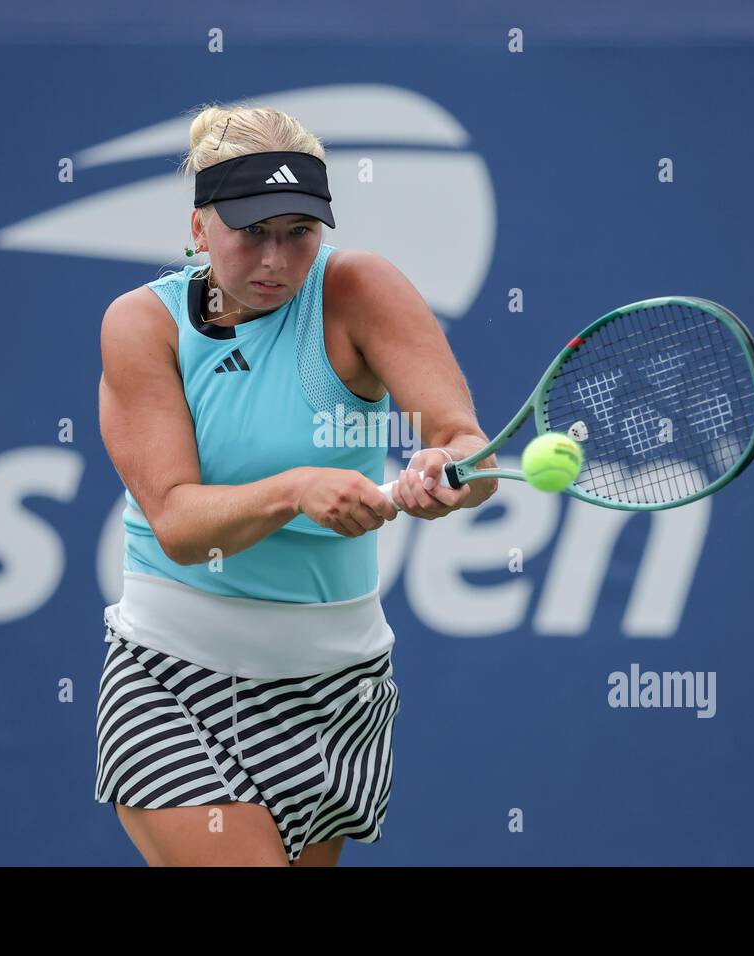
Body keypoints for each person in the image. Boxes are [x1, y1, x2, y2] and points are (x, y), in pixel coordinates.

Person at [94, 102, 498, 866]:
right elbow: (178, 525)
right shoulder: (142, 325)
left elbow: (461, 444)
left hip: (336, 688)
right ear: (198, 227)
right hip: (174, 677)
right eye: (252, 233)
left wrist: (449, 477)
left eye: (299, 233)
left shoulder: (359, 290)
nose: (277, 260)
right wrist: (296, 489)